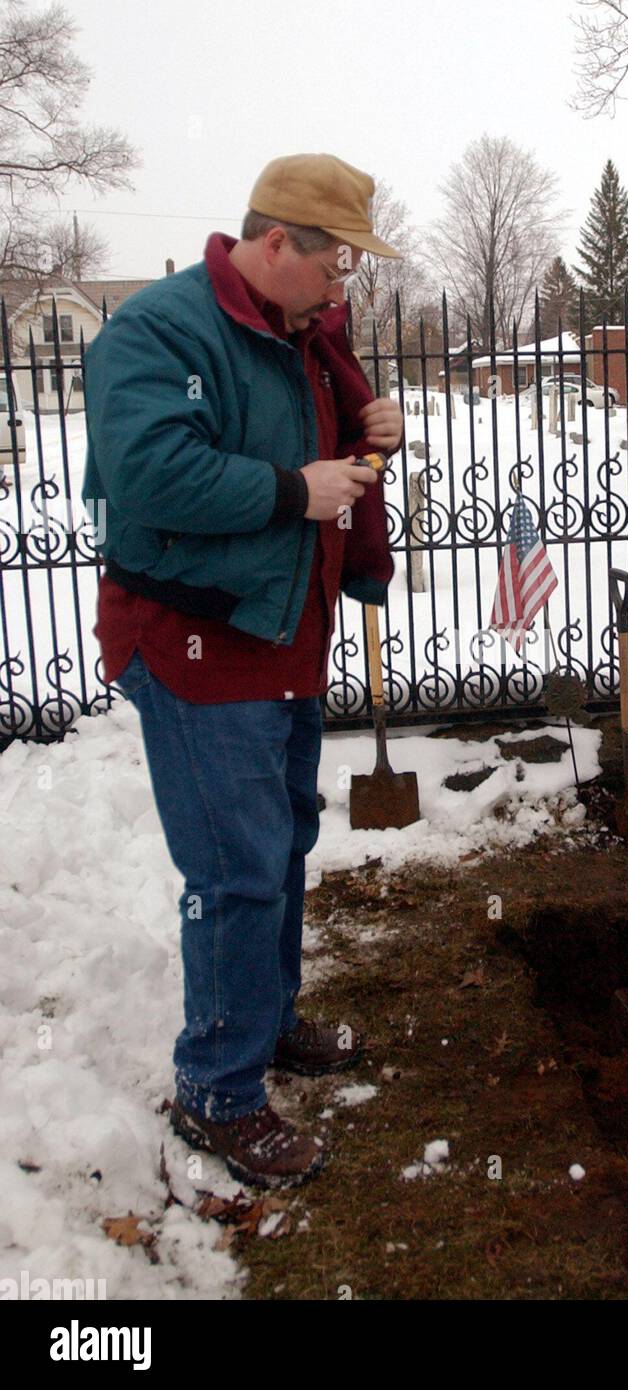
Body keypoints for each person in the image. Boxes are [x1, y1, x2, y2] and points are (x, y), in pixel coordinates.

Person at [82, 153, 404, 1189]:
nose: (344, 287)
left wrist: (364, 432)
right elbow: (146, 472)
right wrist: (289, 491)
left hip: (280, 630)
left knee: (282, 844)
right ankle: (217, 1089)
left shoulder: (297, 335)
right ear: (277, 245)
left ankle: (265, 1024)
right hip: (194, 637)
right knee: (232, 870)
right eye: (336, 264)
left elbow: (314, 454)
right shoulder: (161, 330)